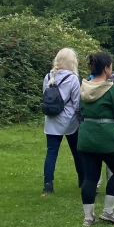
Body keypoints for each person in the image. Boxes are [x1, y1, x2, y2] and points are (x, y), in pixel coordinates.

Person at [77, 52, 114, 227]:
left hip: (86, 135)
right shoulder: (111, 88)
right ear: (107, 68)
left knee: (90, 177)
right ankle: (108, 211)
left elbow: (79, 109)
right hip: (106, 135)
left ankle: (88, 217)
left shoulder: (83, 86)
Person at [42, 48, 84, 196]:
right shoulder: (72, 78)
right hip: (70, 121)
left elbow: (45, 97)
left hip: (51, 121)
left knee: (51, 153)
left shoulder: (48, 76)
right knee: (77, 152)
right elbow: (77, 103)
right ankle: (82, 180)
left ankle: (48, 184)